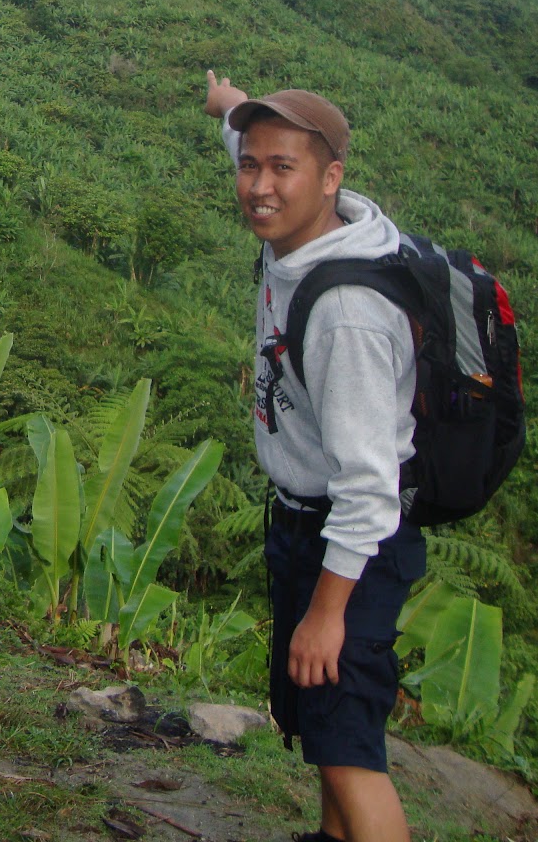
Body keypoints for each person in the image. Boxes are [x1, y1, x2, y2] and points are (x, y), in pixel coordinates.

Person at [204, 71, 424, 842]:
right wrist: (228, 106)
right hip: (306, 526)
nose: (259, 186)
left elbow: (371, 489)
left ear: (331, 179)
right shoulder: (301, 228)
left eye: (281, 169)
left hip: (352, 545)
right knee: (327, 737)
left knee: (349, 752)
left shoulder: (345, 314)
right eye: (248, 166)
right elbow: (247, 131)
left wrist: (327, 614)